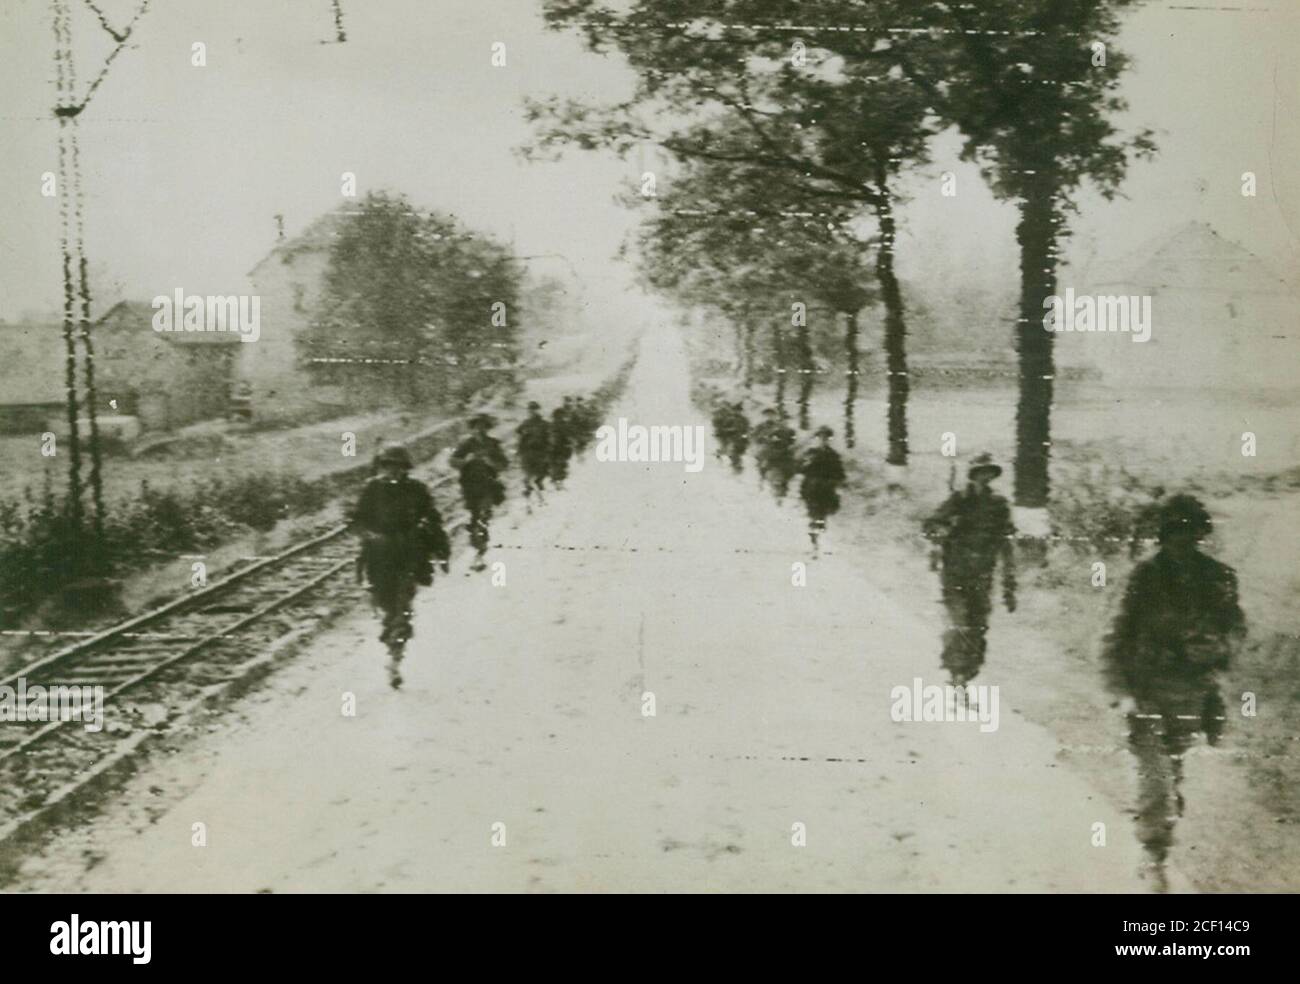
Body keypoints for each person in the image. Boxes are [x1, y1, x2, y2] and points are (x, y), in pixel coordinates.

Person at [1101, 494, 1245, 889]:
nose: (1181, 541)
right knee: (1155, 776)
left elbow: (1236, 627)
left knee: (1172, 770)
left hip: (1191, 694)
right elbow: (1114, 635)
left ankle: (1159, 823)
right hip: (1146, 692)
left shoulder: (1219, 577)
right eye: (1173, 533)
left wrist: (1219, 646)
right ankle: (1152, 855)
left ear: (1200, 534)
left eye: (1189, 532)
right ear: (1163, 536)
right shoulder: (1144, 577)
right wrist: (1120, 691)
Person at [352, 443, 450, 688]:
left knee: (402, 607)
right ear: (381, 467)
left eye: (397, 467)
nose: (392, 472)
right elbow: (356, 522)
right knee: (387, 606)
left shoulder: (417, 490)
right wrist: (369, 535)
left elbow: (434, 519)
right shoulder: (372, 489)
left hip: (410, 556)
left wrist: (440, 550)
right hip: (379, 558)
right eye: (387, 466)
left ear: (405, 469)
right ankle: (393, 644)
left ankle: (395, 660)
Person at [921, 452, 1016, 686]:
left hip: (982, 574)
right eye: (980, 473)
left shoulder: (999, 505)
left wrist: (1009, 586)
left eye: (989, 473)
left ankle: (968, 671)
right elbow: (931, 524)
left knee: (978, 626)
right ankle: (957, 673)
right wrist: (940, 533)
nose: (984, 477)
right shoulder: (959, 499)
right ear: (973, 475)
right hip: (956, 571)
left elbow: (1006, 544)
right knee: (959, 622)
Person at [450, 413, 508, 572]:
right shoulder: (466, 444)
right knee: (476, 520)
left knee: (483, 516)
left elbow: (504, 464)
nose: (480, 429)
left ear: (487, 428)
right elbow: (452, 461)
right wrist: (465, 461)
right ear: (473, 428)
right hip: (470, 489)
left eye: (483, 426)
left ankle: (480, 553)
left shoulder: (492, 444)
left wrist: (492, 464)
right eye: (477, 426)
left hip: (488, 488)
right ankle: (478, 549)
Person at [797, 425, 846, 556]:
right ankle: (814, 543)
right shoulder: (810, 453)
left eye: (826, 438)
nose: (823, 440)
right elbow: (800, 469)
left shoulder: (834, 455)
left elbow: (840, 474)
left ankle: (816, 538)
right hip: (811, 490)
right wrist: (806, 464)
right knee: (815, 516)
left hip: (827, 491)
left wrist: (838, 483)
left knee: (821, 518)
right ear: (817, 438)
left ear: (830, 439)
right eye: (821, 437)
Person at [753, 407, 798, 500]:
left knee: (788, 466)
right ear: (763, 416)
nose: (769, 417)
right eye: (767, 415)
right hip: (766, 453)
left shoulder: (783, 428)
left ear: (775, 416)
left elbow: (791, 440)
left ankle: (783, 487)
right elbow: (754, 439)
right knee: (764, 466)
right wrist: (764, 439)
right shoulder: (759, 427)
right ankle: (764, 483)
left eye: (771, 415)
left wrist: (785, 443)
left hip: (782, 453)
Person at [515, 401, 552, 510]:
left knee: (539, 477)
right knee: (530, 477)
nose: (532, 412)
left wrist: (548, 449)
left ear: (538, 410)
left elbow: (549, 437)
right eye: (530, 410)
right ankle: (532, 502)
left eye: (534, 409)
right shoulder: (525, 424)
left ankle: (533, 498)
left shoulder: (544, 424)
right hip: (527, 454)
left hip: (540, 454)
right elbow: (519, 435)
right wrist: (519, 450)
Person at [711, 399, 750, 474]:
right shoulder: (729, 419)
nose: (737, 412)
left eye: (739, 411)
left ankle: (737, 468)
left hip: (741, 440)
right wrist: (730, 431)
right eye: (736, 411)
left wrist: (745, 436)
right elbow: (723, 429)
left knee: (737, 453)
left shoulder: (744, 420)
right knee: (731, 451)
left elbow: (747, 430)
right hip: (730, 439)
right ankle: (731, 466)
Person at [548, 401, 574, 490]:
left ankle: (557, 482)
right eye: (560, 415)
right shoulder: (562, 424)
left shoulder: (552, 425)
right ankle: (559, 483)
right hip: (559, 448)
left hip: (554, 448)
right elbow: (568, 435)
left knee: (556, 465)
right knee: (560, 465)